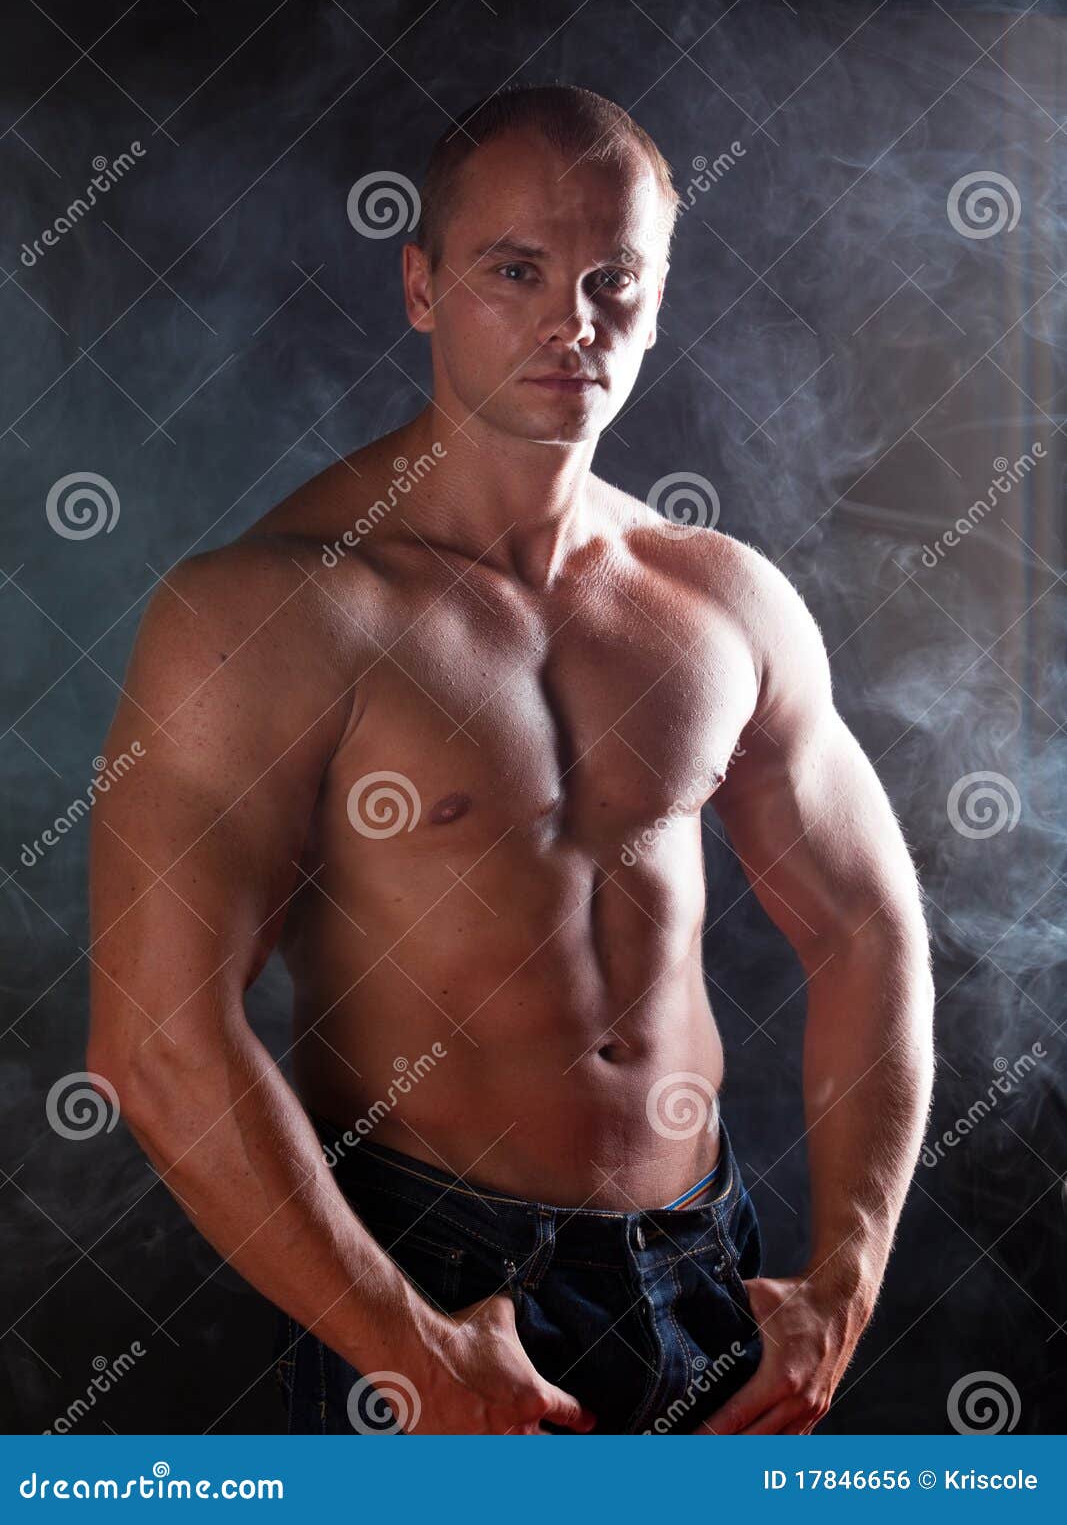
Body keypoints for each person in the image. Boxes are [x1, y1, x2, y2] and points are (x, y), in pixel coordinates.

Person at [86, 82, 935, 1435]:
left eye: (615, 277)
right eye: (516, 270)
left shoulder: (725, 601)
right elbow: (155, 1038)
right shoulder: (273, 611)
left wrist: (845, 1276)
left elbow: (865, 927)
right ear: (421, 286)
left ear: (660, 296)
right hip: (431, 1278)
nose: (570, 319)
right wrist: (401, 1343)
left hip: (708, 1271)